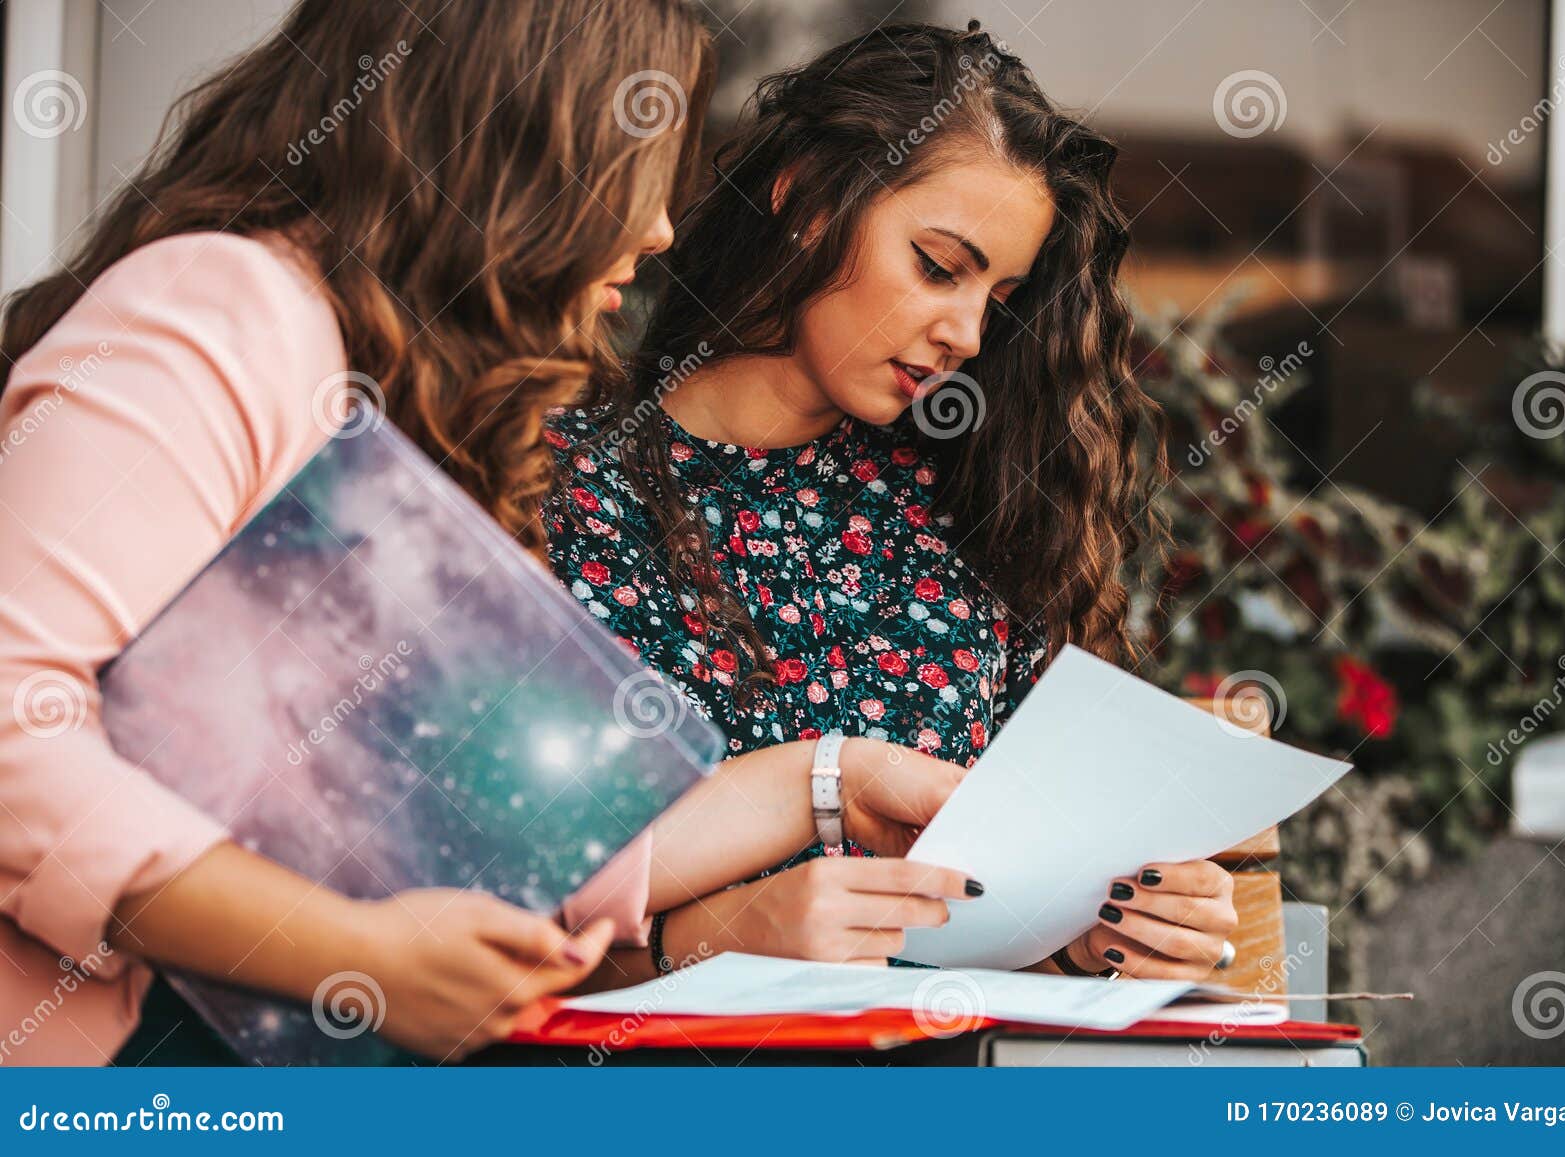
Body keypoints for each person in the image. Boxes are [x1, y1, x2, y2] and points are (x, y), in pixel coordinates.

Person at [0, 0, 969, 1066]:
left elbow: (509, 833)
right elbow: (16, 742)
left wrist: (827, 780)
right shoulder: (215, 313)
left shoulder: (422, 387)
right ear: (522, 142)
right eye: (640, 165)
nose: (657, 231)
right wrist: (354, 953)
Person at [541, 20, 1238, 984]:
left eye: (998, 299)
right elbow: (481, 923)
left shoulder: (969, 508)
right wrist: (714, 936)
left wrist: (1099, 932)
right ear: (808, 203)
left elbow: (992, 904)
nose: (963, 333)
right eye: (938, 266)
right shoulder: (555, 492)